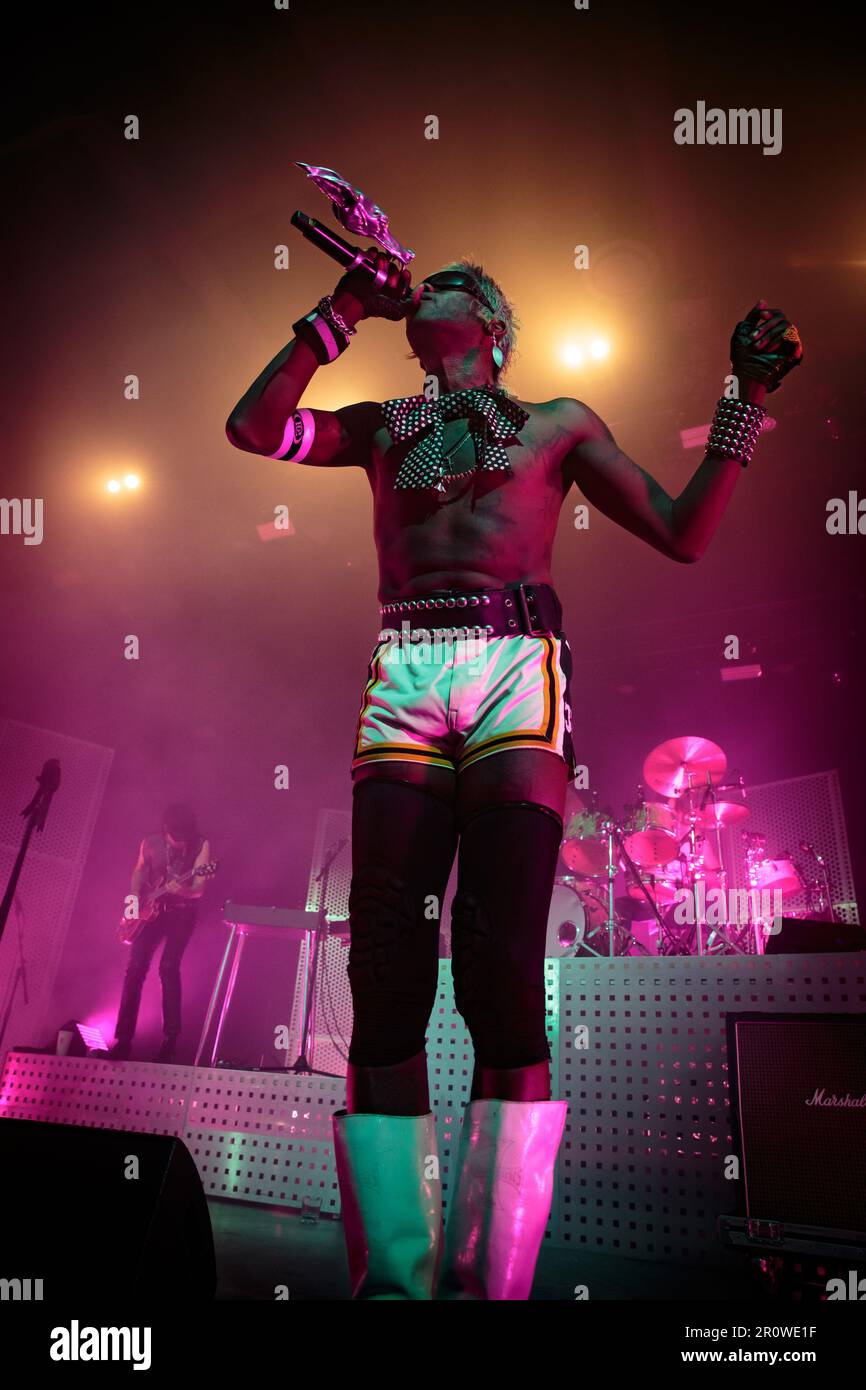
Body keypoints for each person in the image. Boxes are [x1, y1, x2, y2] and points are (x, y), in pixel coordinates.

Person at [226, 250, 801, 1299]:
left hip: (510, 670)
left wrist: (742, 400)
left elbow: (681, 532)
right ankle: (393, 1285)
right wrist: (346, 301)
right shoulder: (383, 425)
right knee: (384, 971)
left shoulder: (556, 422)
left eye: (454, 277)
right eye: (422, 279)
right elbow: (252, 428)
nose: (430, 279)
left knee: (498, 972)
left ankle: (490, 1286)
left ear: (492, 319)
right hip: (402, 666)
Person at [110, 802, 213, 1063]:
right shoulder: (151, 841)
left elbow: (199, 887)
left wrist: (184, 891)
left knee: (168, 967)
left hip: (182, 912)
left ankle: (169, 1042)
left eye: (184, 838)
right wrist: (134, 897)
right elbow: (140, 869)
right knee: (135, 969)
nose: (181, 843)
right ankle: (123, 1040)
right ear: (166, 830)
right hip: (151, 911)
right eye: (176, 838)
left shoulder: (201, 844)